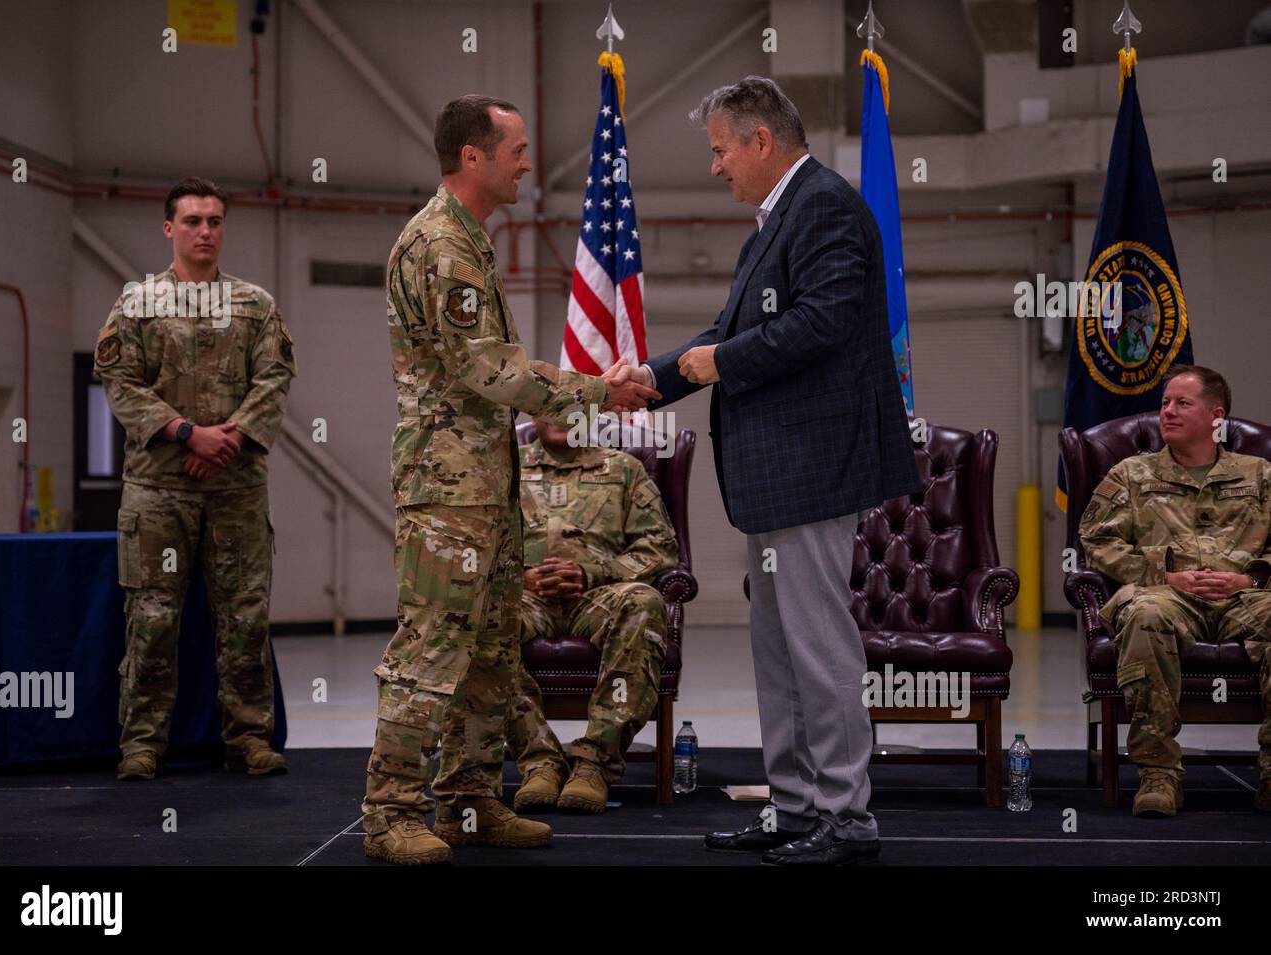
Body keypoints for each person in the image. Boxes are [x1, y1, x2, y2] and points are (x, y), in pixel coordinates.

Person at [607, 76, 920, 865]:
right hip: (777, 477)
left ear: (760, 141)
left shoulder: (824, 207)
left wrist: (717, 363)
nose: (714, 167)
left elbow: (823, 323)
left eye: (719, 150)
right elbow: (731, 330)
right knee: (779, 653)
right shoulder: (773, 223)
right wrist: (657, 375)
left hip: (813, 470)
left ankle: (848, 820)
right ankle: (793, 805)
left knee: (821, 651)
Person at [362, 95, 659, 865]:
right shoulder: (441, 245)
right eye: (518, 150)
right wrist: (600, 390)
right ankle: (390, 809)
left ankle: (467, 801)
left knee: (491, 651)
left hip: (486, 487)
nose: (529, 163)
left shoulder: (471, 241)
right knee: (432, 648)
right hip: (447, 491)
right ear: (474, 157)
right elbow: (486, 368)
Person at [94, 176, 295, 781]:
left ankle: (250, 738)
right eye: (192, 221)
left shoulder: (255, 305)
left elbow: (275, 379)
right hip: (159, 490)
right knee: (152, 618)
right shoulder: (136, 304)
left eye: (214, 221)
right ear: (169, 229)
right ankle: (142, 744)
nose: (205, 231)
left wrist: (226, 438)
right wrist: (186, 433)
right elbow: (120, 383)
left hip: (234, 486)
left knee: (246, 616)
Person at [1079, 365, 1271, 816]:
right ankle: (1158, 775)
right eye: (1165, 402)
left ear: (1215, 415)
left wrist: (1252, 578)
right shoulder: (1132, 473)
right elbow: (1095, 541)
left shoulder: (1260, 475)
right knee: (1143, 615)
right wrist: (1163, 575)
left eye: (1182, 403)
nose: (1167, 411)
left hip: (1246, 597)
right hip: (1168, 597)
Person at [507, 416, 679, 814]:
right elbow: (481, 546)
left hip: (599, 597)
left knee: (643, 603)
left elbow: (659, 548)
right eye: (552, 405)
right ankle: (539, 761)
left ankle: (594, 765)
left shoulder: (623, 469)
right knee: (482, 621)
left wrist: (593, 573)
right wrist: (523, 577)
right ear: (534, 412)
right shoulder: (508, 467)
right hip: (524, 596)